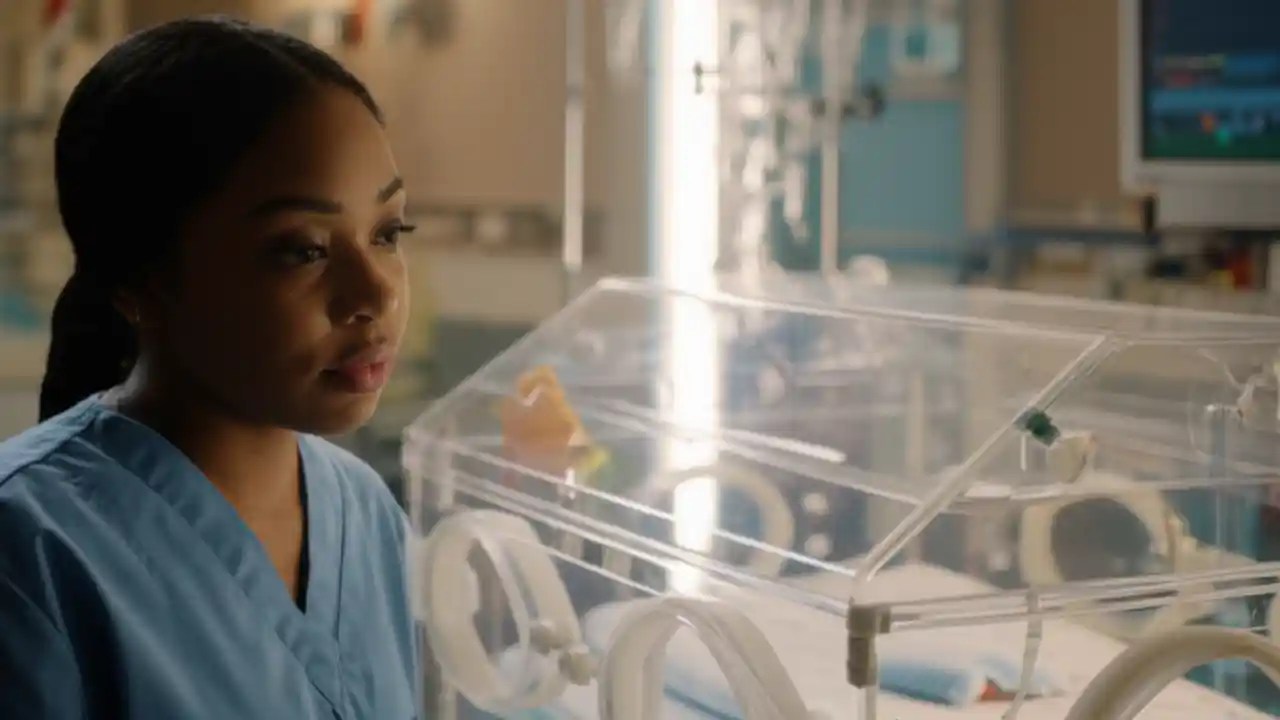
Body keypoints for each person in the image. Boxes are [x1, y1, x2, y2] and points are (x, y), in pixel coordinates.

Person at [0, 16, 419, 719]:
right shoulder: (30, 554)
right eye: (303, 250)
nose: (375, 293)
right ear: (141, 277)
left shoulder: (362, 509)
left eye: (388, 233)